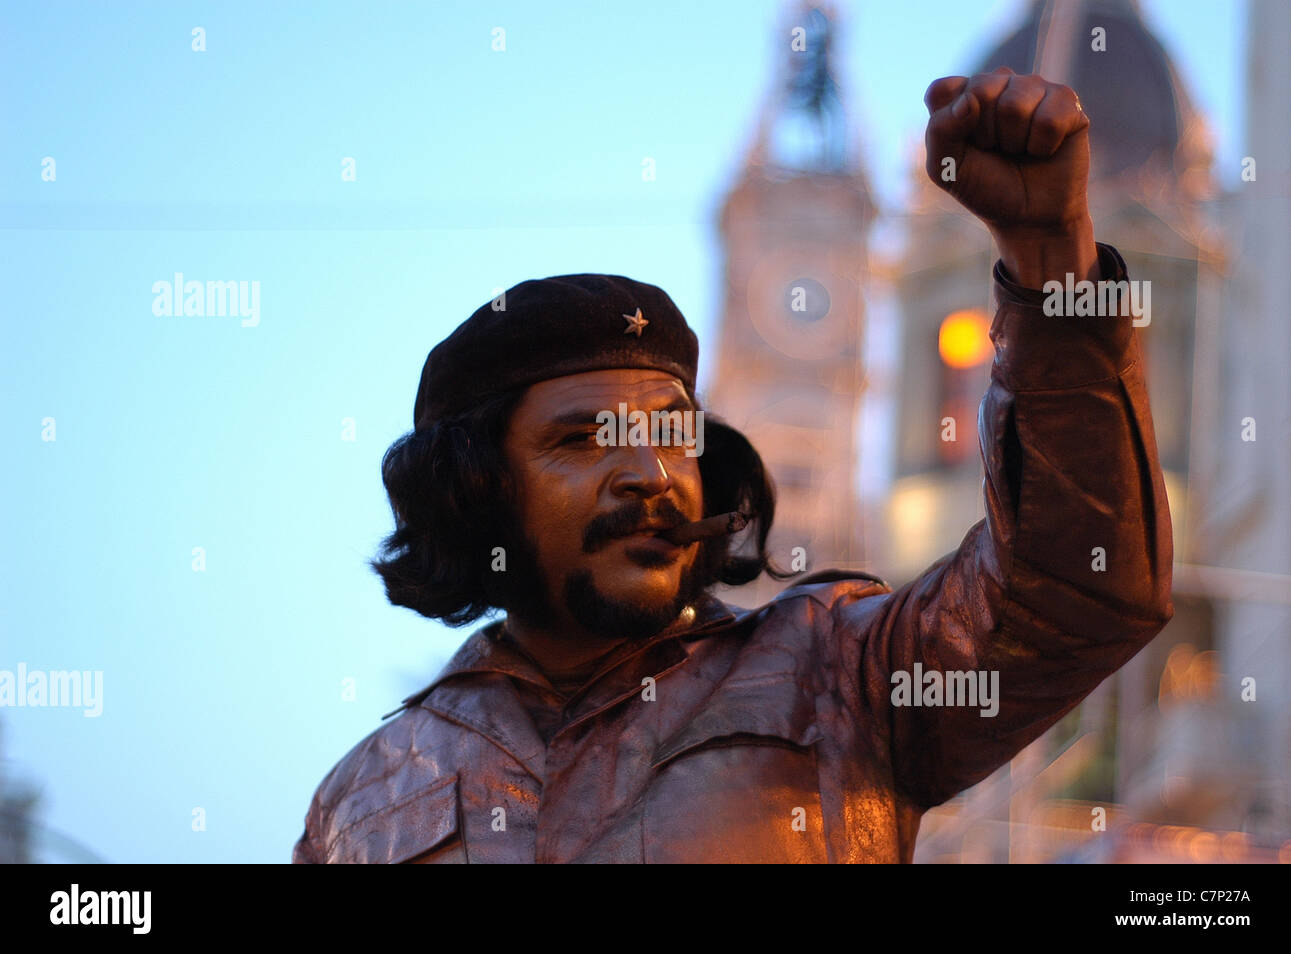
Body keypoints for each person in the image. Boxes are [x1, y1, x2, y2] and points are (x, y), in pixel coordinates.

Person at [292, 69, 1173, 863]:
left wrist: (1053, 260)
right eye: (583, 438)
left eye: (674, 433)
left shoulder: (846, 681)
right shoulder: (362, 803)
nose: (651, 473)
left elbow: (1079, 589)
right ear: (475, 489)